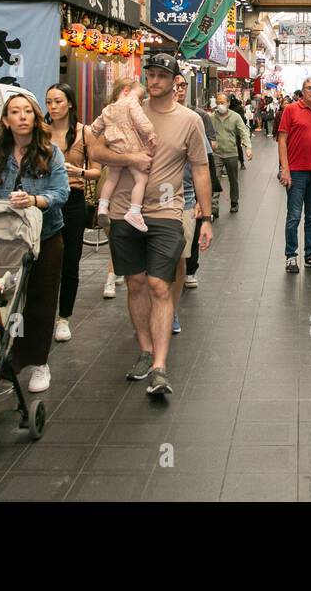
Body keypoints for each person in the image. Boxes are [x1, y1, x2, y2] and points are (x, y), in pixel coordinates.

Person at [94, 53, 213, 396]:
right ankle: (145, 351)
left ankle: (160, 364)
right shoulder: (128, 110)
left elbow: (201, 169)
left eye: (163, 75)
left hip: (166, 212)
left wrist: (205, 217)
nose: (155, 80)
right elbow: (96, 149)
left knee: (160, 285)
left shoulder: (190, 120)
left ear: (175, 81)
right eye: (151, 74)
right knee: (134, 282)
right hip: (122, 211)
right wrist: (129, 158)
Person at [0, 92, 69, 393]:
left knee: (40, 301)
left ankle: (39, 362)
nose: (22, 116)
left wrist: (35, 200)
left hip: (45, 238)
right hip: (4, 242)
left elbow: (60, 193)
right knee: (5, 301)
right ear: (5, 120)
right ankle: (9, 356)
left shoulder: (50, 152)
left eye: (28, 111)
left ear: (36, 118)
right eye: (15, 111)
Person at [44, 83, 105, 342]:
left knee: (70, 261)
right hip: (43, 200)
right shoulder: (40, 132)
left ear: (69, 103)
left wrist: (76, 171)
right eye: (49, 102)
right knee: (43, 261)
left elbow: (97, 170)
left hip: (73, 199)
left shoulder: (84, 133)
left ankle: (64, 317)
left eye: (58, 101)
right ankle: (42, 316)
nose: (53, 106)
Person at [277, 76, 311, 274]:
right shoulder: (291, 110)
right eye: (309, 88)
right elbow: (282, 140)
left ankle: (310, 254)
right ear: (303, 90)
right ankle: (291, 256)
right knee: (294, 216)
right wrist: (285, 169)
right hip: (296, 172)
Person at [94, 78, 158, 231]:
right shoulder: (131, 103)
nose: (140, 101)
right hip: (130, 145)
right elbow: (141, 121)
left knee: (112, 177)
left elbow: (95, 128)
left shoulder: (107, 109)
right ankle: (134, 211)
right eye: (140, 97)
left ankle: (103, 206)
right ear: (127, 91)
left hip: (114, 146)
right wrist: (151, 133)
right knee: (141, 179)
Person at [175, 74, 214, 297]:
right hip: (156, 199)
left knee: (187, 243)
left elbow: (203, 165)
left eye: (183, 86)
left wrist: (203, 201)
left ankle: (190, 271)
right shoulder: (149, 115)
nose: (179, 90)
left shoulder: (196, 117)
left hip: (188, 193)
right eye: (177, 85)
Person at [210, 91, 252, 213]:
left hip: (231, 153)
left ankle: (234, 201)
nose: (219, 105)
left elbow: (243, 132)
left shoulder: (235, 117)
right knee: (215, 179)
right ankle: (214, 206)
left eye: (222, 103)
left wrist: (248, 147)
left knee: (233, 179)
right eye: (218, 103)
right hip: (216, 154)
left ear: (228, 103)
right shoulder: (212, 117)